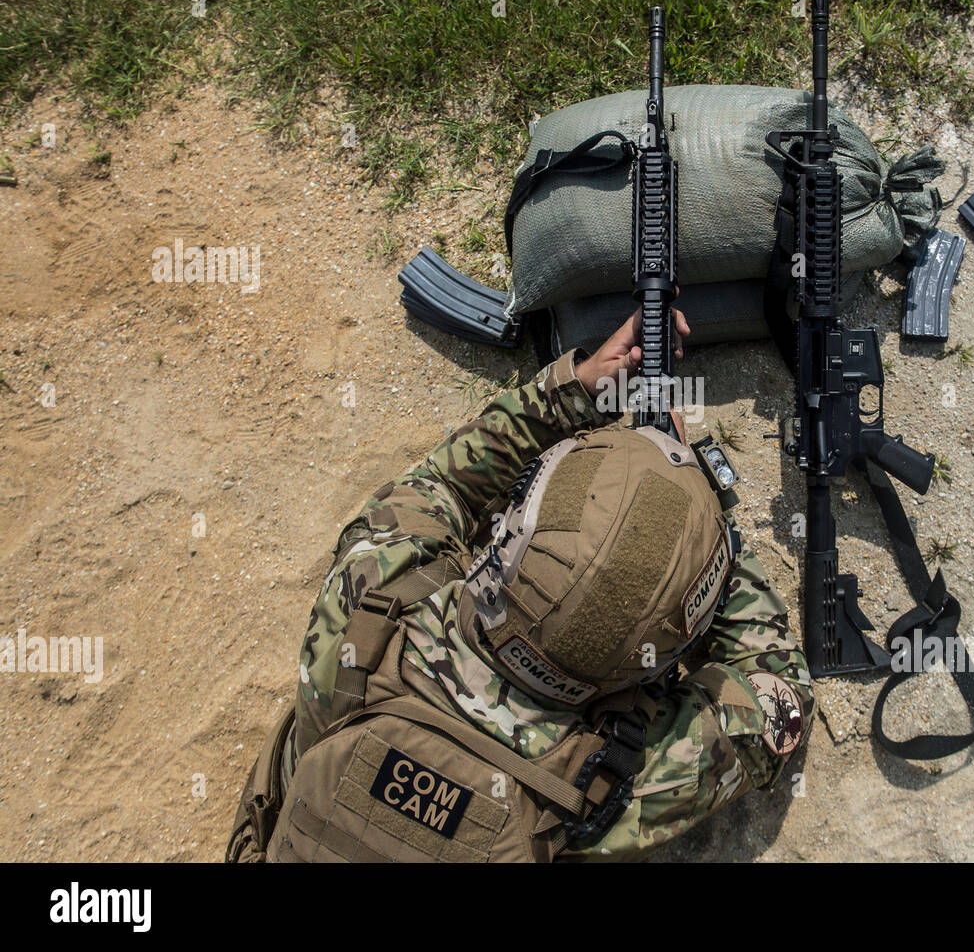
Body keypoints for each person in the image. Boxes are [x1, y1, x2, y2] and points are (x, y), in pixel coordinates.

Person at [227, 312, 813, 862]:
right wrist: (709, 509)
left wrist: (574, 390)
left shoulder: (366, 612)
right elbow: (780, 697)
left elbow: (442, 485)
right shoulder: (609, 782)